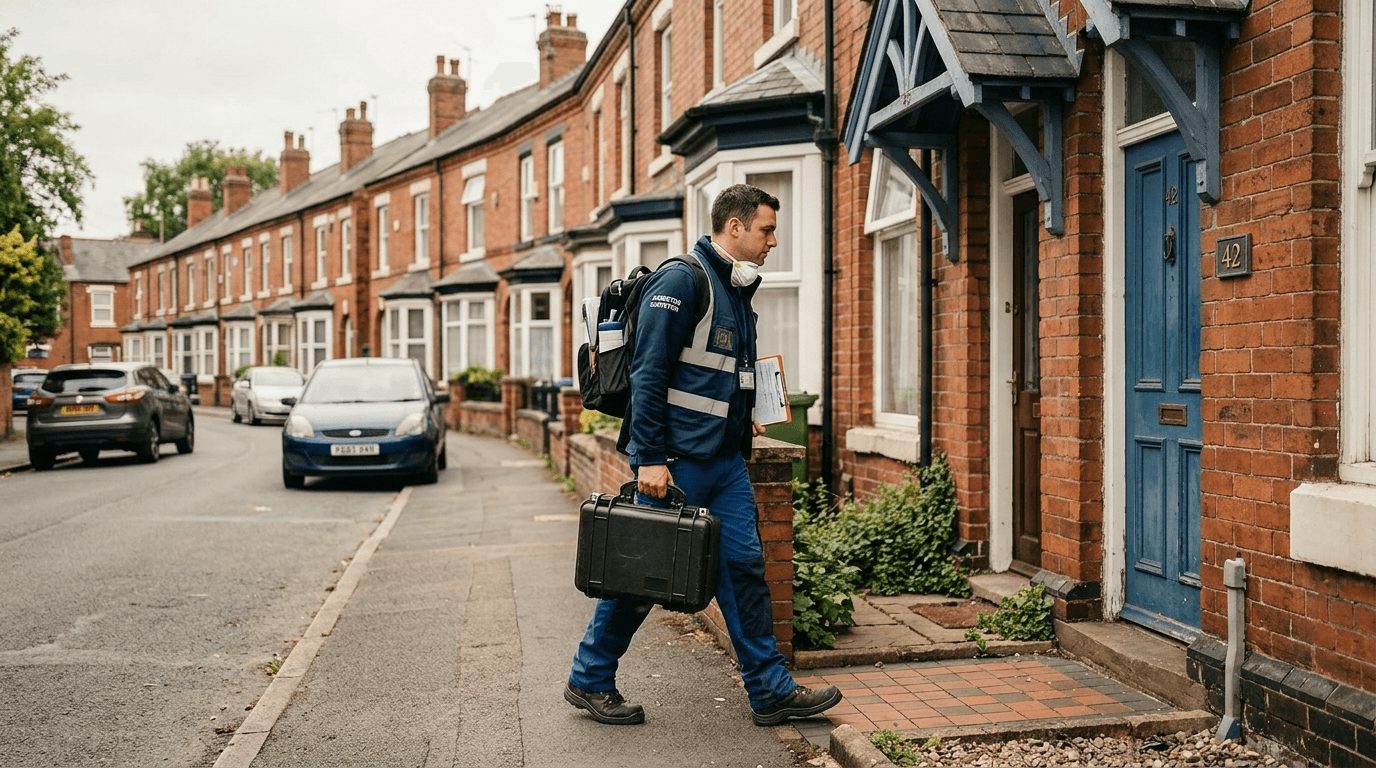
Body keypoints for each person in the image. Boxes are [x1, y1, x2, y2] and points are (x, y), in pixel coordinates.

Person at [564, 184, 843, 726]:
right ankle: (590, 677)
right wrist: (649, 457)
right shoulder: (682, 280)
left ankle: (770, 690)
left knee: (744, 569)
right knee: (641, 573)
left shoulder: (737, 289)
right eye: (766, 229)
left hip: (724, 463)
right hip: (677, 462)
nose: (772, 241)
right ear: (734, 227)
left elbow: (718, 373)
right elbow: (649, 374)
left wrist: (746, 411)